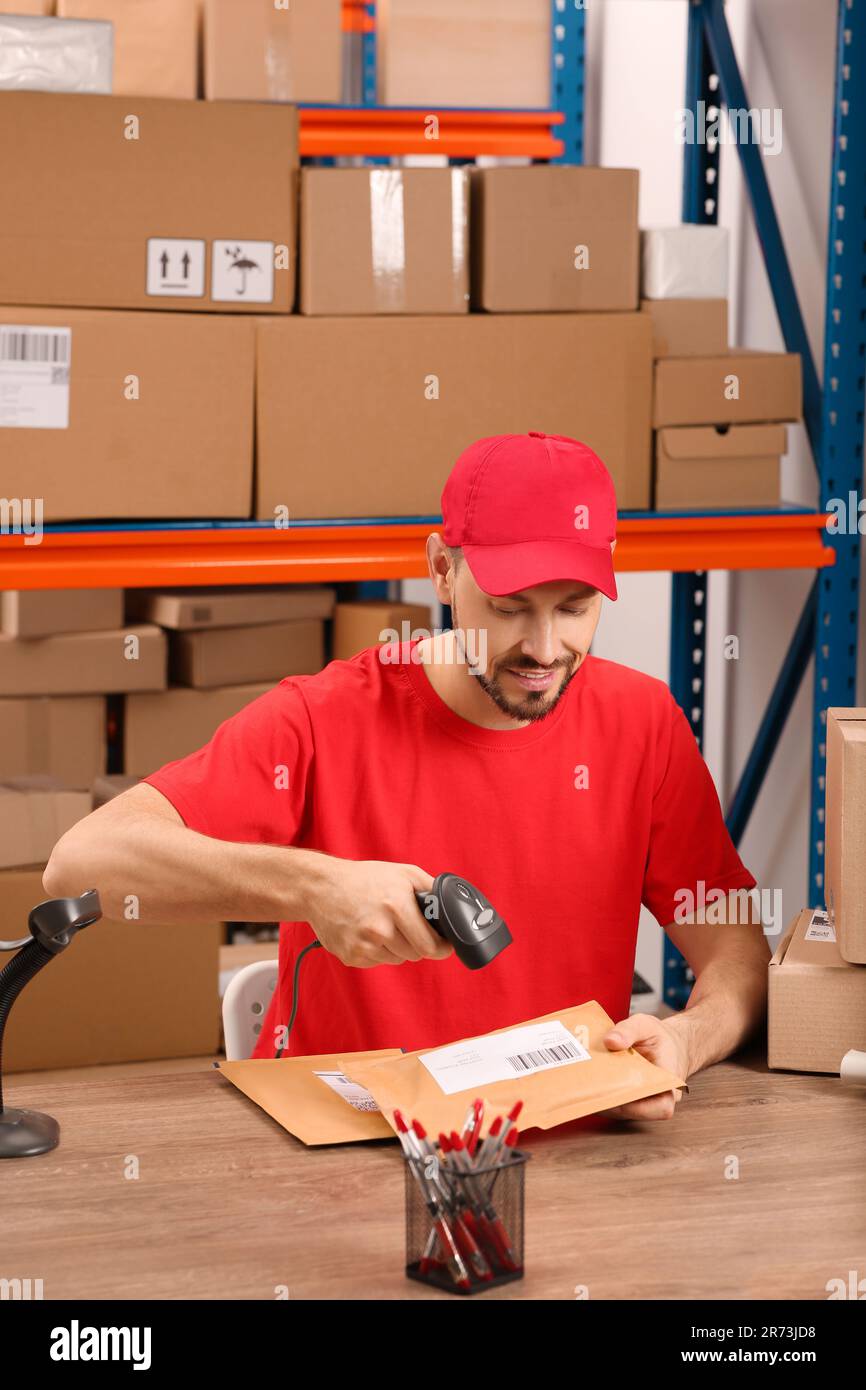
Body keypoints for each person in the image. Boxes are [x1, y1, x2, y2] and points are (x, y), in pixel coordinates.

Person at [44, 432, 768, 1121]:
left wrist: (684, 1041)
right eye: (510, 609)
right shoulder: (324, 717)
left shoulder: (643, 724)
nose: (544, 649)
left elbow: (736, 949)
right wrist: (313, 886)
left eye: (575, 609)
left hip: (562, 1154)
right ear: (442, 569)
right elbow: (81, 865)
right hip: (341, 1159)